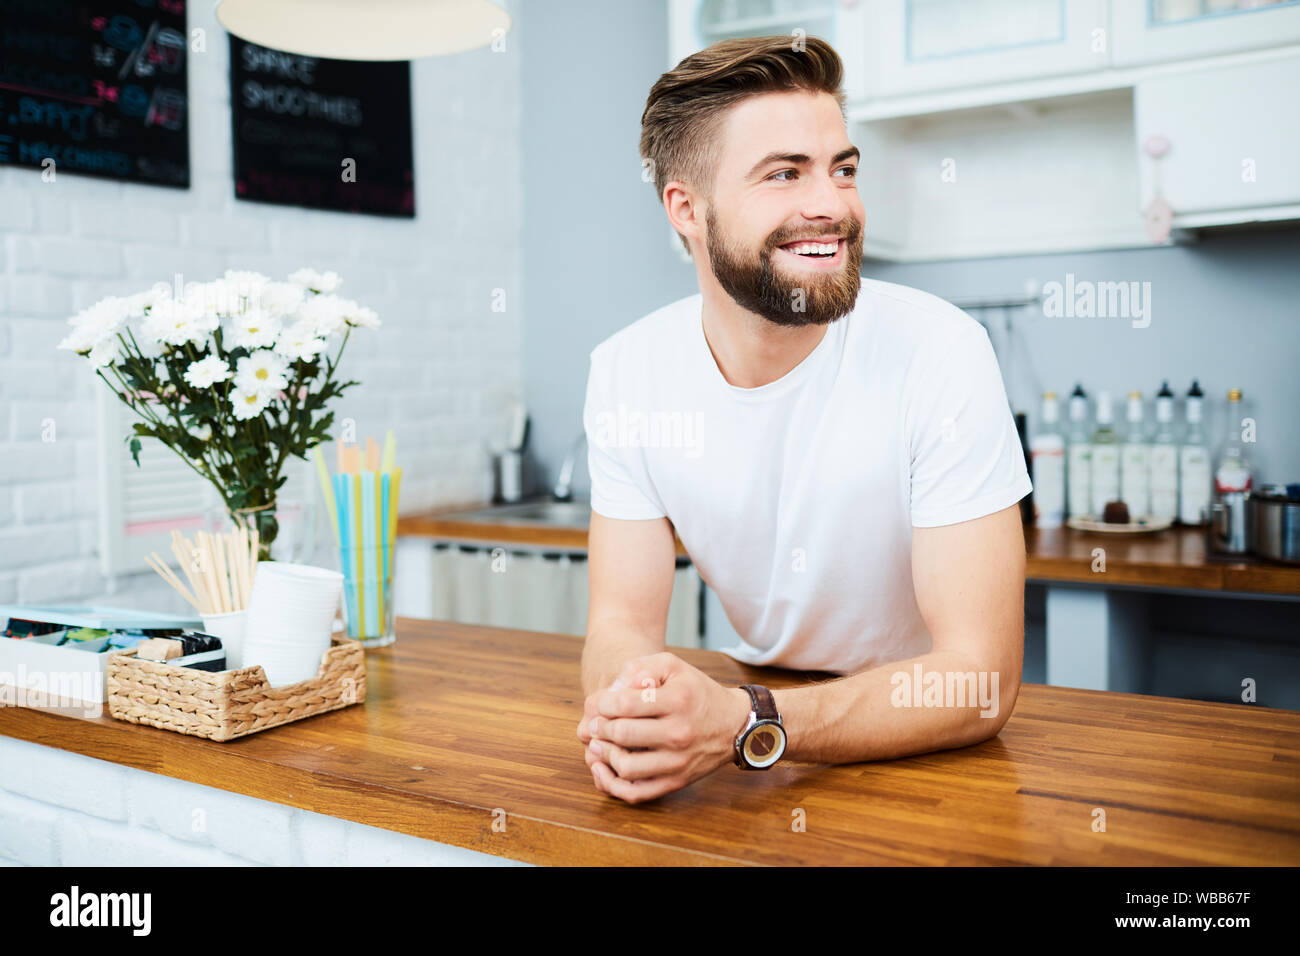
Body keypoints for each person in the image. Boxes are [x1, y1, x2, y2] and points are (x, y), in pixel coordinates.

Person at [577, 35, 1032, 803]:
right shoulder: (627, 373)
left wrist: (745, 722)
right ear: (685, 209)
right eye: (785, 173)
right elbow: (619, 622)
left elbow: (980, 680)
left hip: (923, 751)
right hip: (760, 747)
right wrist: (635, 714)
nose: (832, 204)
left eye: (842, 169)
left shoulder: (941, 351)